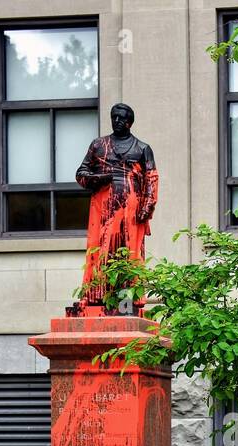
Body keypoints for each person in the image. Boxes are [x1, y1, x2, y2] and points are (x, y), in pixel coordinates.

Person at [74, 103, 158, 308]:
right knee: (101, 248)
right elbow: (81, 174)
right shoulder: (98, 145)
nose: (118, 121)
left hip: (132, 208)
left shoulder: (142, 148)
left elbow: (152, 179)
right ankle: (96, 296)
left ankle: (127, 300)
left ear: (130, 122)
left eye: (122, 118)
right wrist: (100, 177)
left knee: (130, 251)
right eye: (114, 117)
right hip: (103, 207)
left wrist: (147, 207)